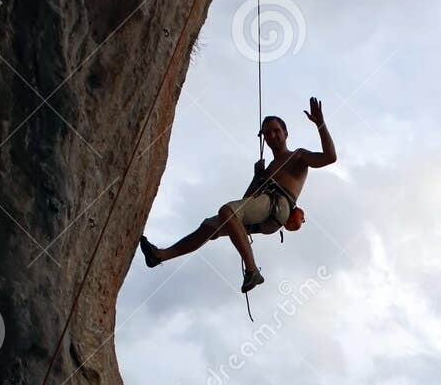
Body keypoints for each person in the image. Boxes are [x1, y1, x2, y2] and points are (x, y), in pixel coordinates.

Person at [138, 99, 336, 295]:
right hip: (266, 210)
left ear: (286, 133)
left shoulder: (298, 156)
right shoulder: (267, 169)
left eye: (276, 130)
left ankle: (252, 270)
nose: (272, 135)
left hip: (279, 205)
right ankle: (160, 255)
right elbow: (246, 200)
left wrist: (320, 124)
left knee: (227, 211)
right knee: (209, 226)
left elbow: (329, 157)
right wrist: (257, 177)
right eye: (267, 133)